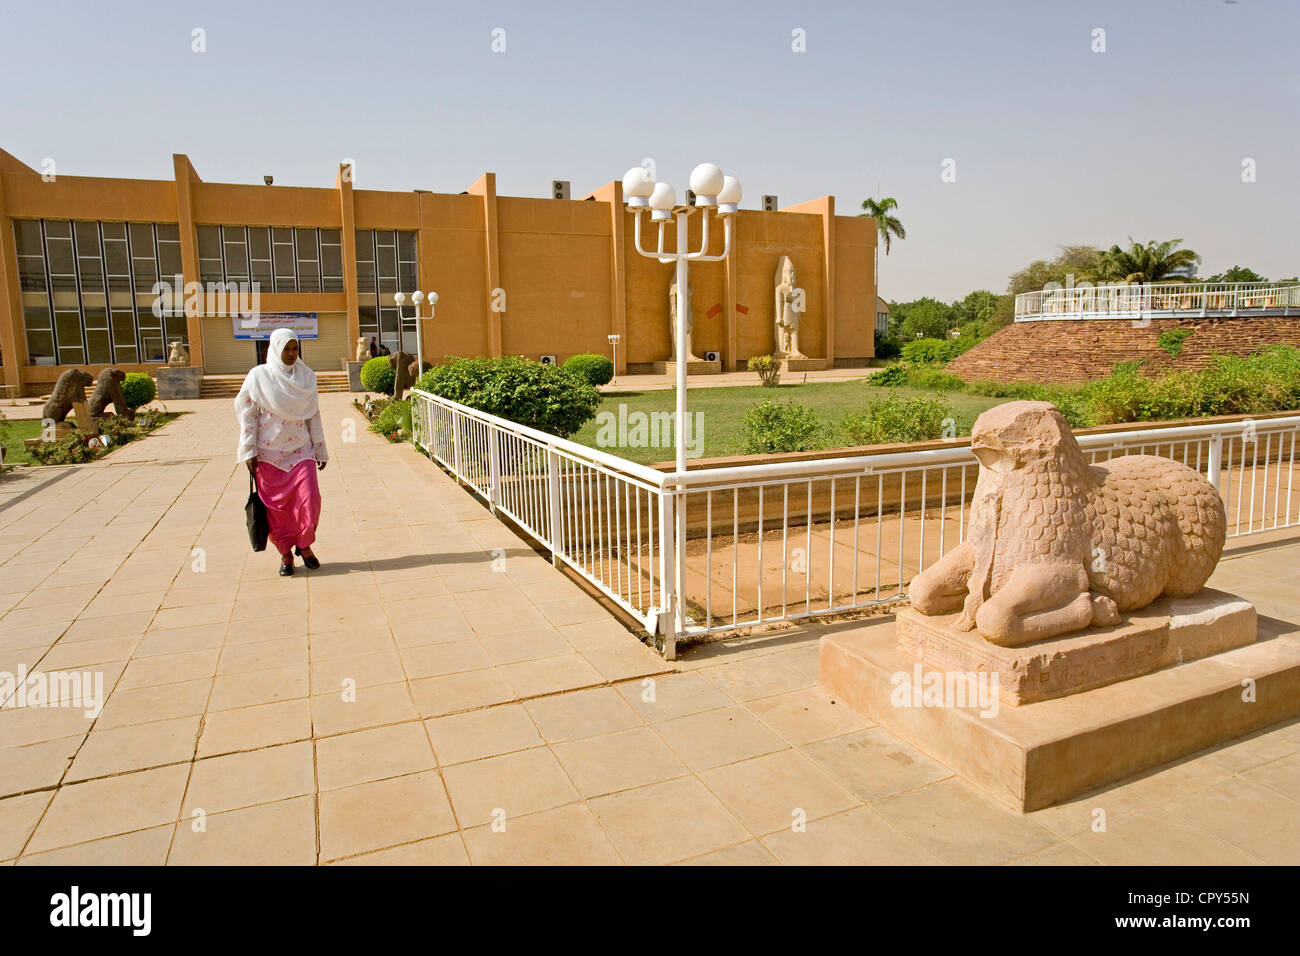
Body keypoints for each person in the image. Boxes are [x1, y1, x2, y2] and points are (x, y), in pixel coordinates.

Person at [235, 328, 328, 576]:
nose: (290, 353)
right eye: (286, 348)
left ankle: (305, 545)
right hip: (268, 455)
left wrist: (320, 450)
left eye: (294, 348)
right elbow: (248, 416)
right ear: (275, 348)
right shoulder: (259, 377)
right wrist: (248, 451)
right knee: (277, 511)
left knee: (310, 501)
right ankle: (286, 554)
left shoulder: (306, 377)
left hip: (301, 452)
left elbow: (313, 415)